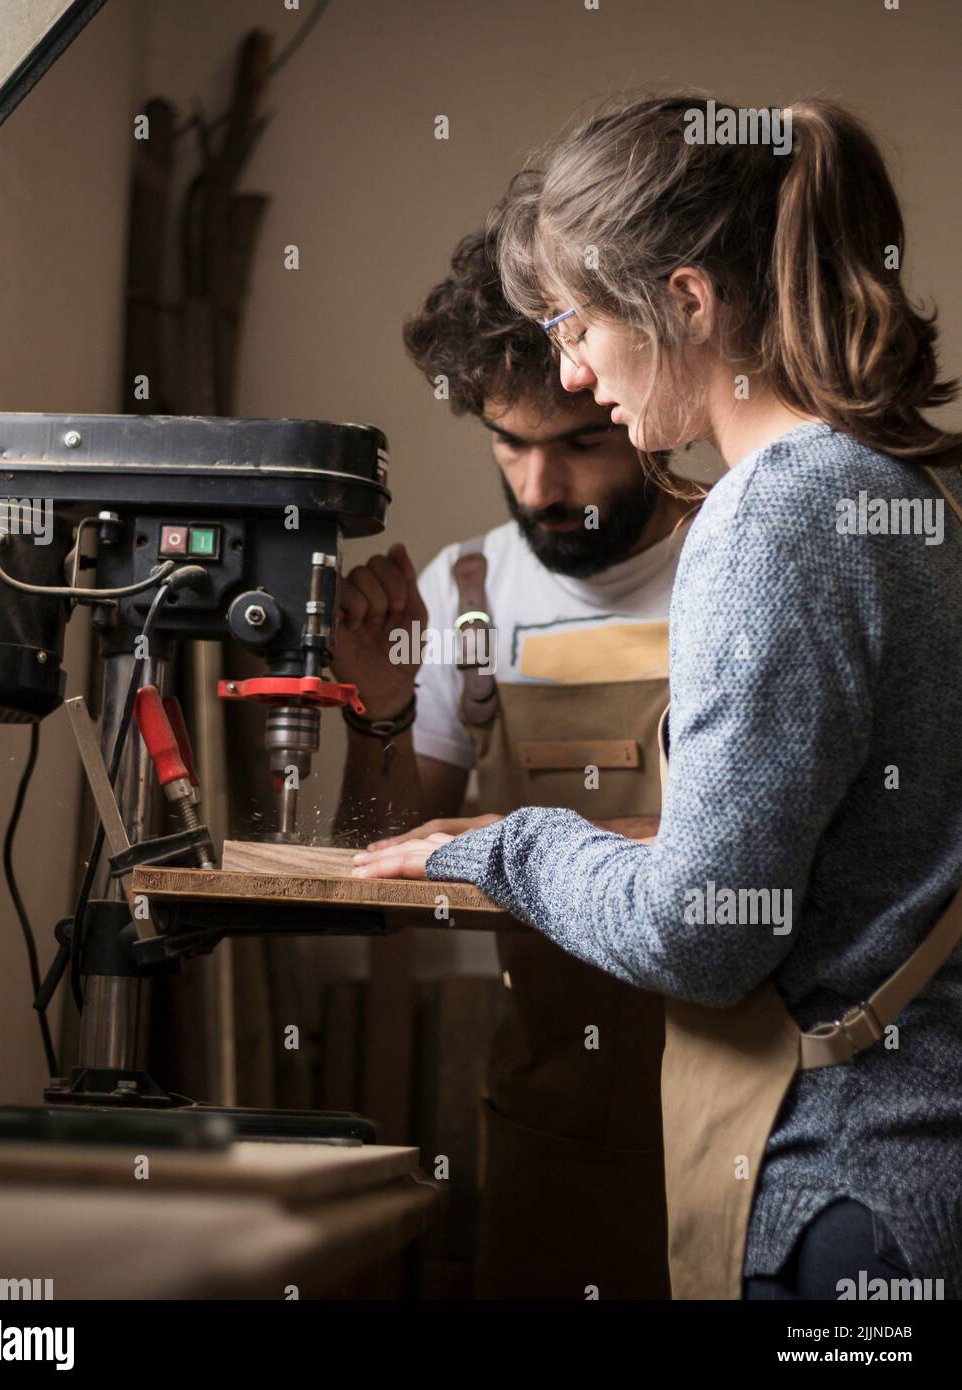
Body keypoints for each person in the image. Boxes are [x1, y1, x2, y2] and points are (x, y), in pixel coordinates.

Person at [352, 96, 962, 1301]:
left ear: (686, 301)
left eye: (578, 323)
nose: (572, 368)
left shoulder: (772, 511)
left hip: (837, 1190)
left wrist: (508, 844)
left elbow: (702, 924)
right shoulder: (895, 491)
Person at [332, 228, 697, 1297]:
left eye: (581, 441)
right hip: (553, 1112)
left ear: (636, 402)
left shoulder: (741, 558)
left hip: (741, 1111)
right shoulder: (467, 592)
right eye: (508, 444)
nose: (542, 486)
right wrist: (380, 710)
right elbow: (390, 879)